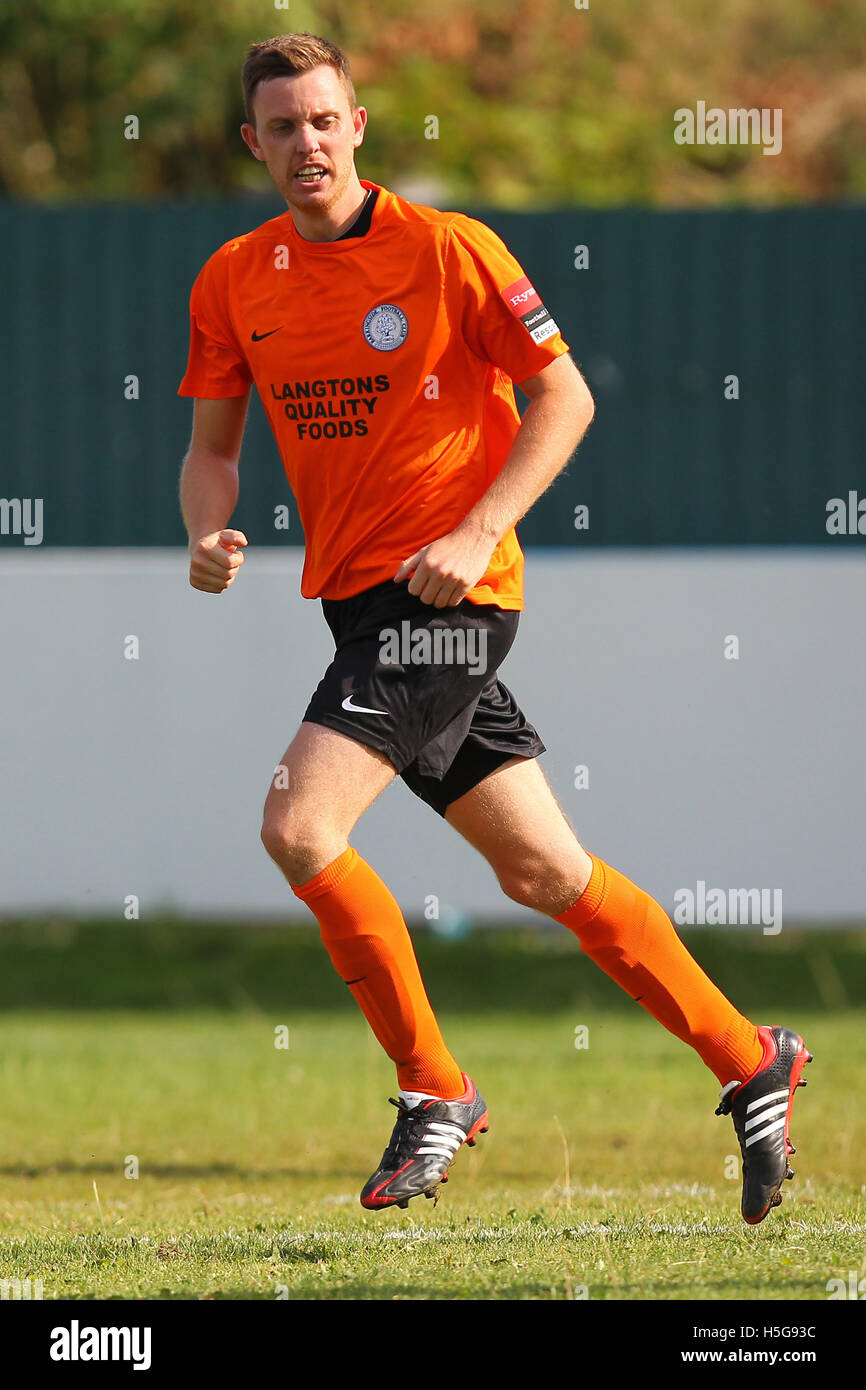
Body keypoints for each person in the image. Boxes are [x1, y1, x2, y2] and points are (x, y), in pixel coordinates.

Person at [178, 32, 811, 1222]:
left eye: (324, 120)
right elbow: (211, 452)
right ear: (251, 143)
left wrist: (476, 530)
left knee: (298, 826)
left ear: (356, 125)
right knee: (543, 870)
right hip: (354, 604)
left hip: (453, 601)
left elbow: (561, 394)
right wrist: (206, 531)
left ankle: (433, 1087)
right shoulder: (232, 278)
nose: (305, 143)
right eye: (281, 126)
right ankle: (748, 1054)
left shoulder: (448, 248)